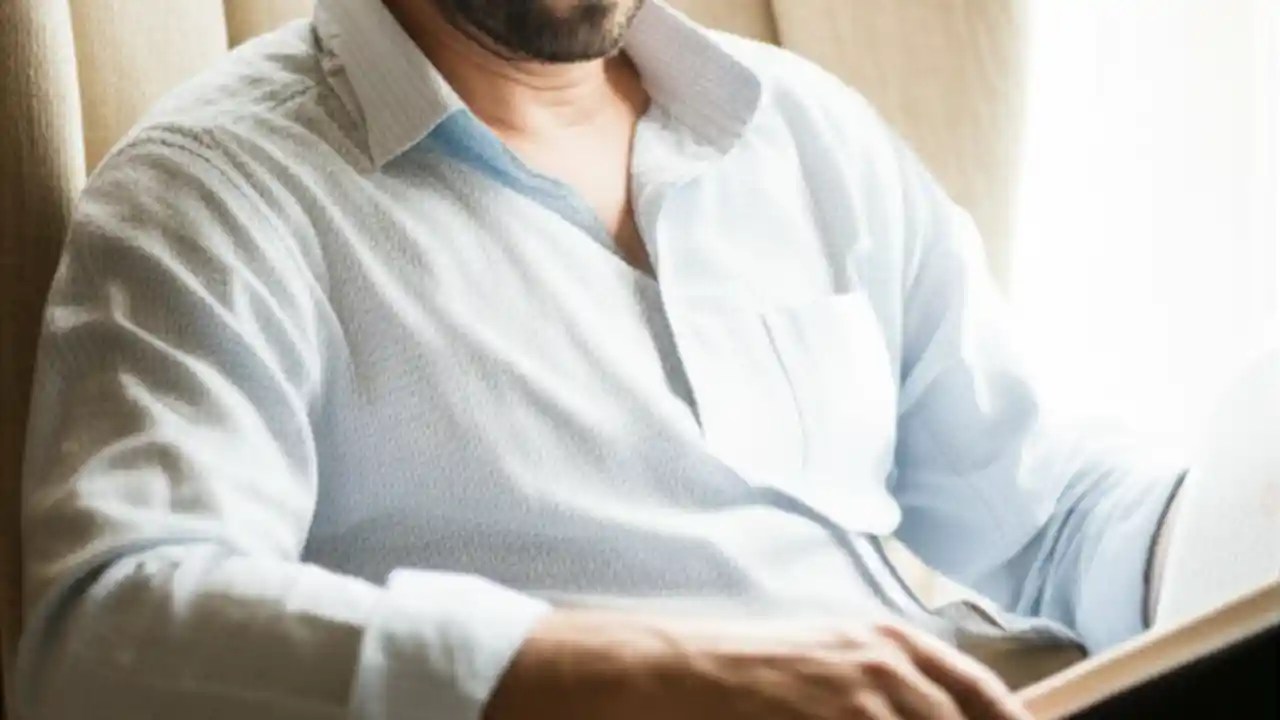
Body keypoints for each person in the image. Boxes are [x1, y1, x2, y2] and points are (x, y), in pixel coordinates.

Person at [16, 1, 1189, 718]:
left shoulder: (799, 128)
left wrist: (1223, 536)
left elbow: (1046, 511)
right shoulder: (211, 193)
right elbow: (108, 639)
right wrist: (654, 677)